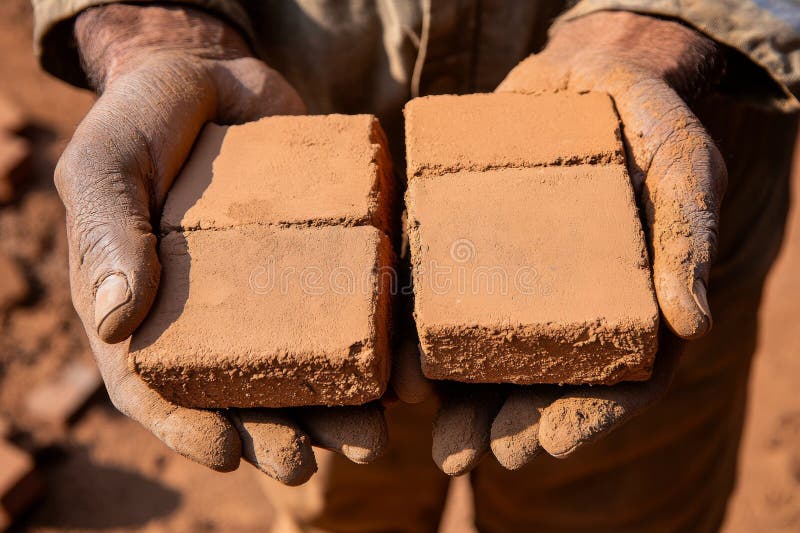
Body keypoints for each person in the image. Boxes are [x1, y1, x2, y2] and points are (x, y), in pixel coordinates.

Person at [33, 1, 799, 531]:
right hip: (277, 118)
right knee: (340, 504)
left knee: (619, 512)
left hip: (648, 159)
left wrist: (656, 30)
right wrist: (152, 33)